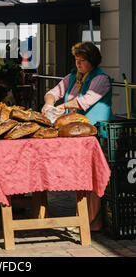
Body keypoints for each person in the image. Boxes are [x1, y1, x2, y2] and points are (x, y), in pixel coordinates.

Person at [41, 41, 113, 232]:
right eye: (76, 60)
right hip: (76, 135)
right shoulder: (73, 76)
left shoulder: (101, 79)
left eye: (82, 61)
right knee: (79, 176)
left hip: (96, 134)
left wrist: (62, 107)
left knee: (92, 176)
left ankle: (92, 221)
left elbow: (84, 101)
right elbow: (54, 92)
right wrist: (49, 104)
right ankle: (83, 219)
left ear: (92, 61)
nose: (78, 64)